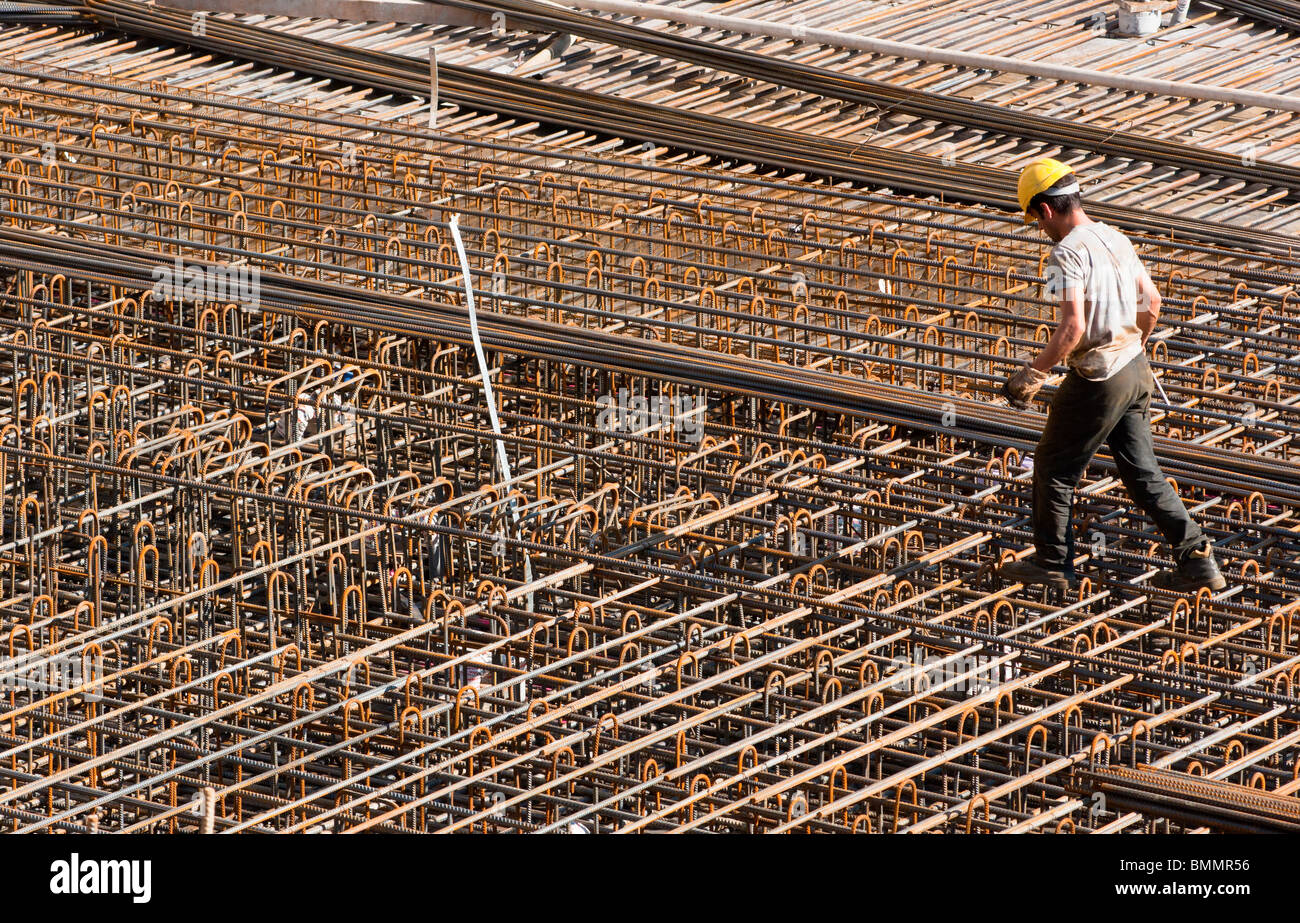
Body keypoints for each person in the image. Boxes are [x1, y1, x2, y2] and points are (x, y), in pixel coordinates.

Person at [998, 158, 1224, 593]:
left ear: (1045, 210)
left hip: (1099, 377)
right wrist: (1135, 341)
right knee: (1143, 473)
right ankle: (1198, 560)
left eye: (1037, 220)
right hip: (1136, 370)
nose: (1041, 229)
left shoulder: (1064, 253)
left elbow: (1073, 328)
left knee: (1053, 466)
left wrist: (1033, 374)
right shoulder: (1115, 237)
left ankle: (1052, 562)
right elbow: (1153, 301)